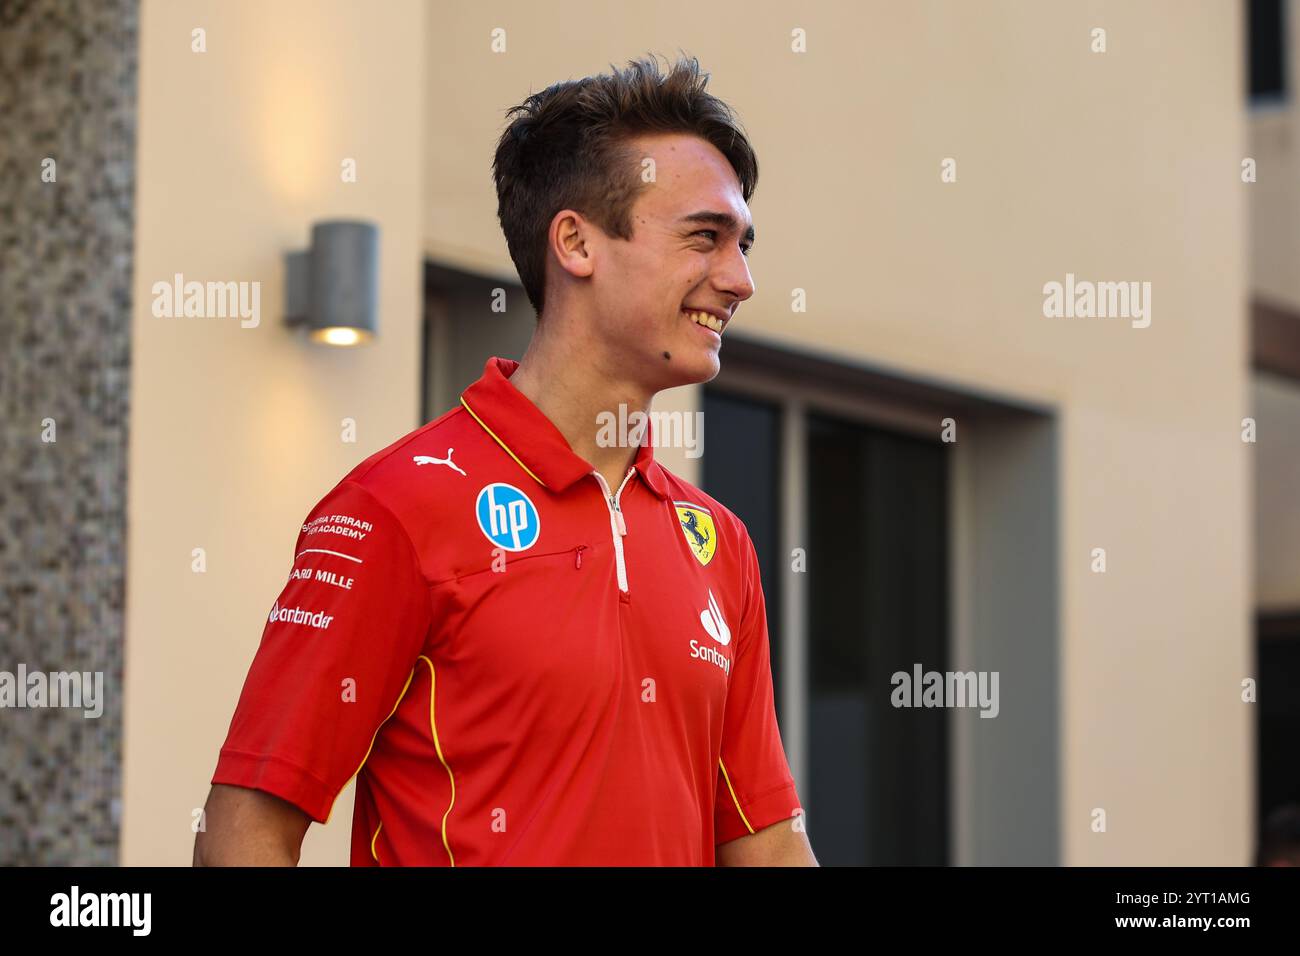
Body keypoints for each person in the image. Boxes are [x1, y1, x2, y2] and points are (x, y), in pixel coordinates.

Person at [193, 54, 816, 867]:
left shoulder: (719, 546)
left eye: (743, 244)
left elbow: (766, 848)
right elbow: (246, 829)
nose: (740, 280)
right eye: (706, 237)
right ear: (576, 243)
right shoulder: (394, 509)